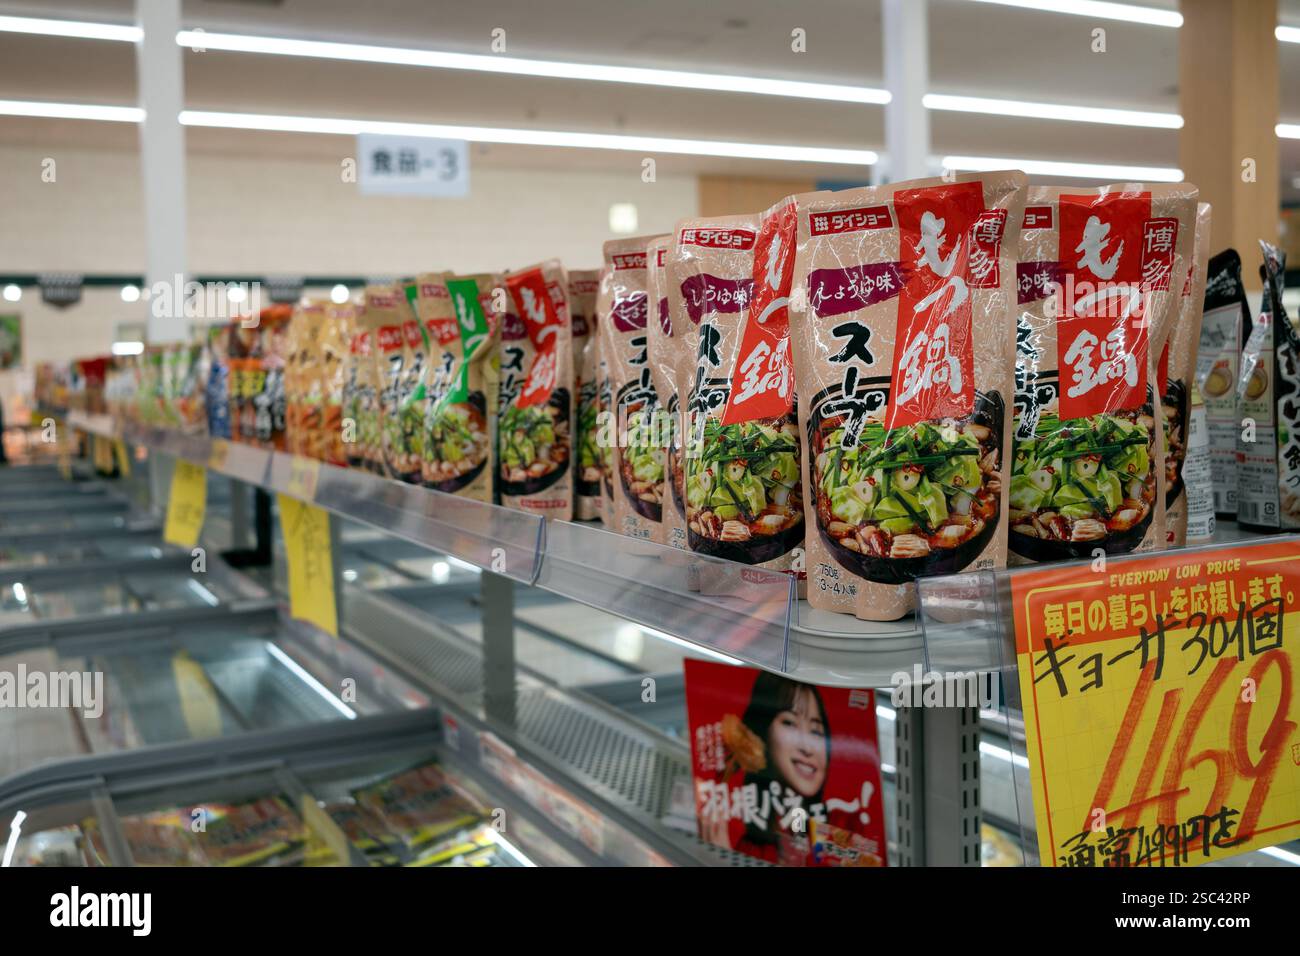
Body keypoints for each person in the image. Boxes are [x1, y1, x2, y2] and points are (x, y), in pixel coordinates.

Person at [703, 672, 832, 865]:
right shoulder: (748, 847)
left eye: (816, 731)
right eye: (789, 723)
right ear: (762, 733)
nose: (807, 748)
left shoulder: (844, 828)